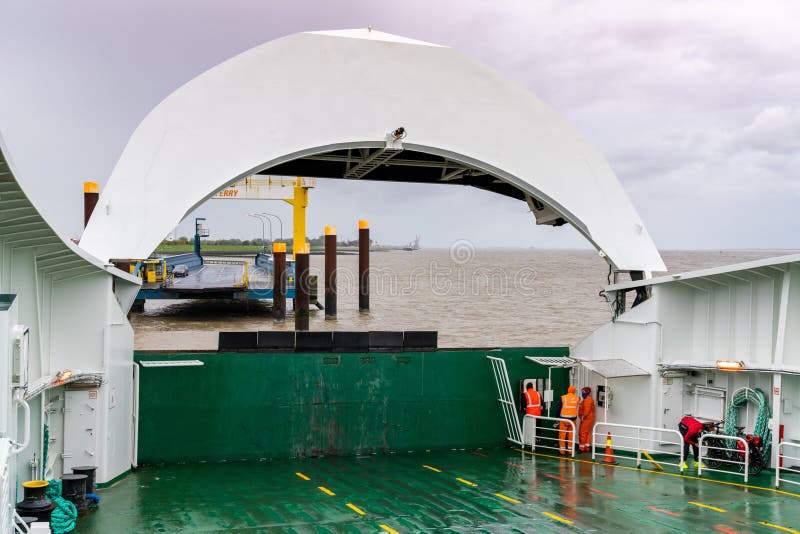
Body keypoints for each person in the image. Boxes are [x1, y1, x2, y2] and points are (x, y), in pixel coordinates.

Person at [559, 385, 580, 455]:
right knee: (571, 435)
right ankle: (570, 450)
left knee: (562, 435)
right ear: (574, 391)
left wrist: (556, 417)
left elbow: (558, 408)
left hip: (563, 420)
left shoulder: (563, 397)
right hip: (572, 420)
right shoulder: (577, 399)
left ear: (568, 390)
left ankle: (562, 450)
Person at [578, 387, 595, 452]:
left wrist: (583, 417)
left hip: (586, 419)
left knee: (582, 433)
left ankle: (581, 448)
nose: (582, 393)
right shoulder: (586, 399)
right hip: (588, 418)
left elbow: (586, 410)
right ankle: (586, 447)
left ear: (587, 393)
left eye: (583, 392)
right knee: (587, 433)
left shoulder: (587, 400)